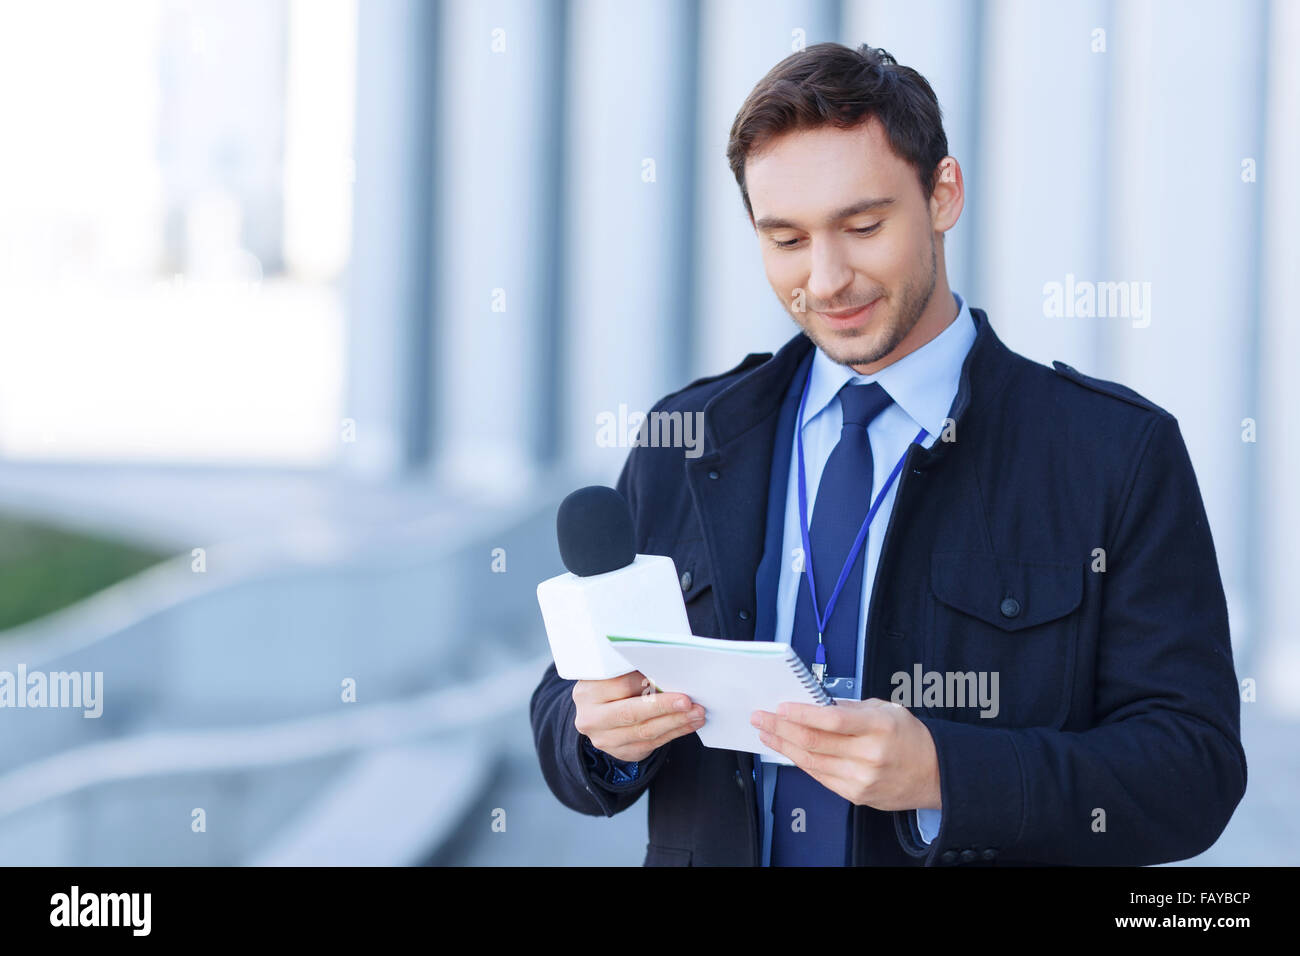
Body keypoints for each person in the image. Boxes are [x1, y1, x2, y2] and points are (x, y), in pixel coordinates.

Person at [529, 42, 1246, 866]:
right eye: (786, 240)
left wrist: (948, 773)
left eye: (863, 226)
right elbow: (561, 704)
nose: (827, 279)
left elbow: (1193, 771)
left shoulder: (1114, 454)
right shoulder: (686, 436)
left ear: (944, 195)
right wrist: (599, 736)